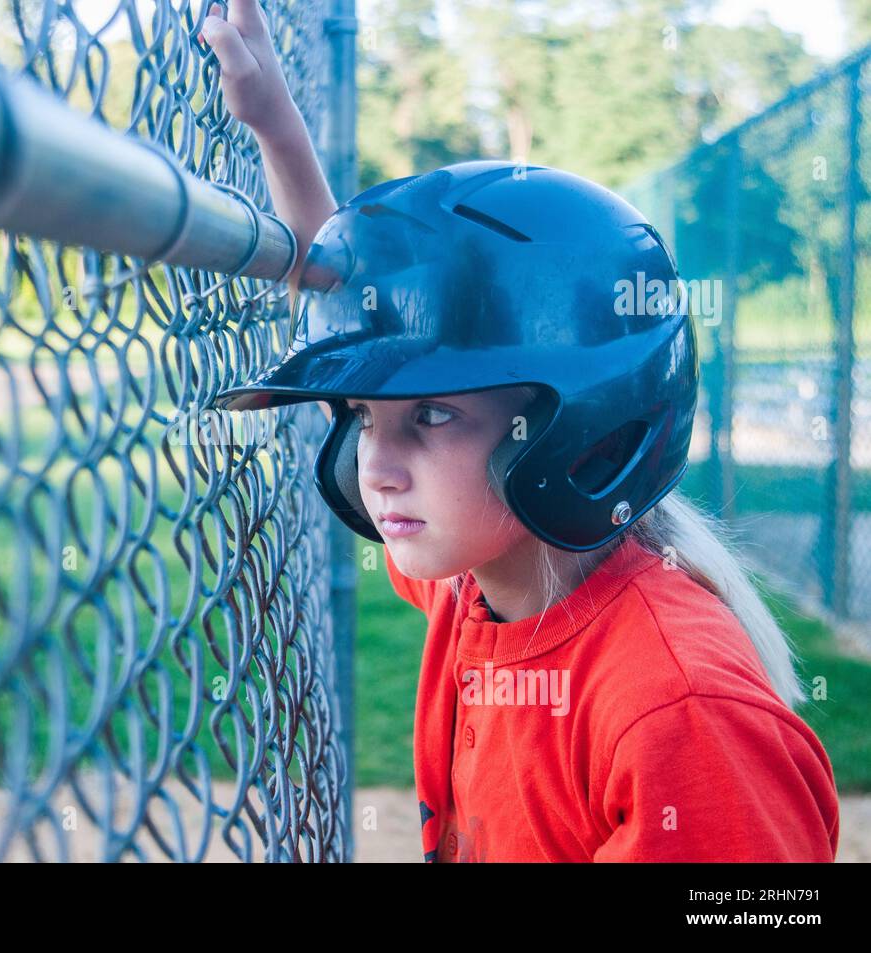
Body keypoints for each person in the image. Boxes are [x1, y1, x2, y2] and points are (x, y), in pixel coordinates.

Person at [200, 0, 839, 862]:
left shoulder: (678, 716)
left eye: (432, 414)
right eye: (361, 418)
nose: (375, 467)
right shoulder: (483, 584)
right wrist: (277, 129)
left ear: (573, 432)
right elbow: (357, 333)